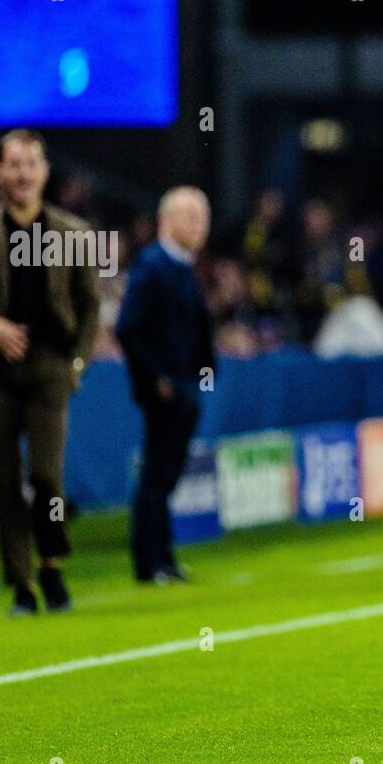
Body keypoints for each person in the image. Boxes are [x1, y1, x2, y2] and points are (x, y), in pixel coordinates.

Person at [0, 130, 97, 615]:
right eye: (14, 164)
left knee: (47, 476)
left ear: (44, 172)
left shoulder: (73, 235)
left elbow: (91, 307)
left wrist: (77, 363)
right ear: (0, 173)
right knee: (4, 481)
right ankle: (22, 586)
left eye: (31, 163)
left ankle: (51, 563)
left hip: (50, 366)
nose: (23, 173)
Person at [115, 187, 215, 584]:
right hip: (167, 389)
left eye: (202, 218)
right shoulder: (153, 266)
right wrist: (157, 377)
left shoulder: (181, 267)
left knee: (167, 474)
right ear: (168, 221)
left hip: (184, 384)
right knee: (157, 474)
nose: (200, 226)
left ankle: (163, 556)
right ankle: (149, 561)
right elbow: (127, 328)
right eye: (191, 218)